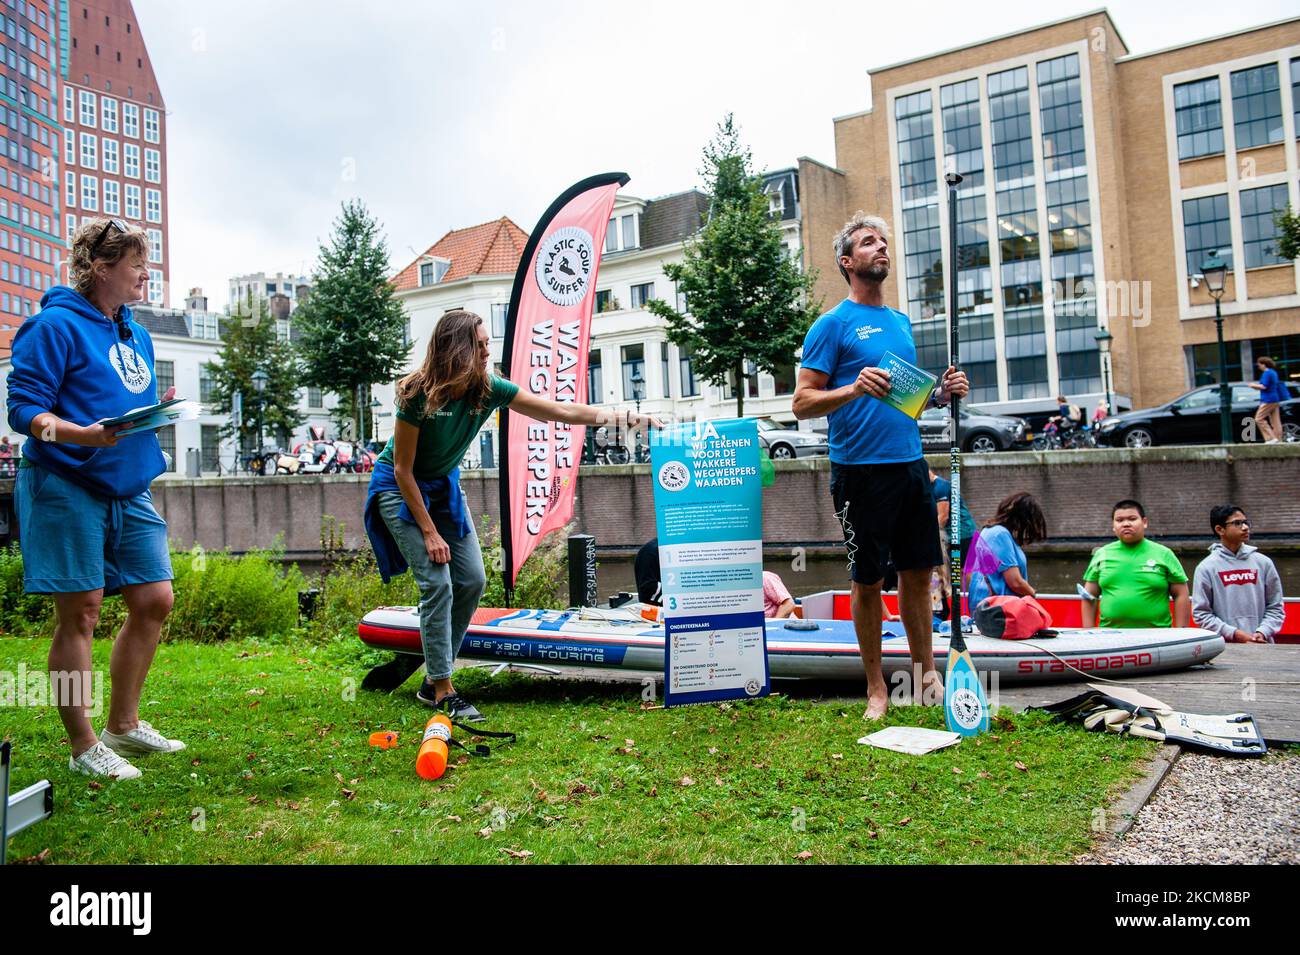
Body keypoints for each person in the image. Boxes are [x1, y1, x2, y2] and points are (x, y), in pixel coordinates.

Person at [364, 309, 654, 723]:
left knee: (473, 579)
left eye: (486, 344)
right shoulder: (416, 394)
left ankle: (434, 675)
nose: (486, 351)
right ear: (458, 347)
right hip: (400, 489)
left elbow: (561, 411)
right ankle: (441, 687)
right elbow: (402, 471)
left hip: (442, 487)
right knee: (437, 583)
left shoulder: (488, 388)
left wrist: (624, 417)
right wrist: (429, 533)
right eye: (479, 344)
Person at [4, 217, 183, 782]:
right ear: (100, 268)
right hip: (65, 483)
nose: (145, 274)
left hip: (129, 485)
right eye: (135, 264)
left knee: (155, 598)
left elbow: (126, 398)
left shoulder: (136, 330)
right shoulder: (52, 325)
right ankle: (84, 744)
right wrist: (80, 434)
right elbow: (23, 413)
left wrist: (159, 407)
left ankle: (123, 726)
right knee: (80, 613)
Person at [793, 212, 969, 718]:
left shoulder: (900, 323)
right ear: (848, 262)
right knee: (868, 579)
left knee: (919, 572)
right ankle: (875, 688)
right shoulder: (832, 325)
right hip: (859, 473)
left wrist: (938, 395)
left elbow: (903, 398)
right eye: (869, 242)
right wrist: (851, 387)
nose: (881, 247)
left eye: (884, 241)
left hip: (911, 465)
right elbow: (802, 403)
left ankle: (925, 675)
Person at [1081, 500, 1191, 629]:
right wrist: (1088, 633)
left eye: (1132, 519)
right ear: (1113, 525)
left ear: (1144, 522)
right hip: (1110, 636)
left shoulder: (1164, 554)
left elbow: (1181, 594)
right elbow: (1089, 595)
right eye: (1119, 520)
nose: (1126, 524)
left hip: (1158, 636)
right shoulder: (1102, 554)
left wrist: (1180, 633)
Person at [1192, 505, 1284, 643]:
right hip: (1225, 647)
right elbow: (1201, 614)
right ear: (1220, 529)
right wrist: (1234, 634)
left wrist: (1263, 632)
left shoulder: (1264, 563)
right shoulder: (1206, 568)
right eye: (1237, 523)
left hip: (1262, 644)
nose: (1245, 527)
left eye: (1246, 522)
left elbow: (1275, 606)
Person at [964, 492, 1047, 611]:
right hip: (1001, 612)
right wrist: (1033, 594)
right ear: (1024, 518)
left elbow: (970, 574)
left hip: (985, 608)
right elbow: (1015, 582)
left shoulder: (987, 531)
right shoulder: (1000, 535)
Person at [1247, 357, 1287, 444]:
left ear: (1264, 364)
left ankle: (1270, 438)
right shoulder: (1273, 372)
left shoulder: (1267, 373)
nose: (1259, 367)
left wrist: (1252, 385)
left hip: (1268, 399)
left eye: (1259, 365)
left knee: (1258, 419)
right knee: (1275, 421)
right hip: (1275, 398)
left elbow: (1264, 386)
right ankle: (1278, 439)